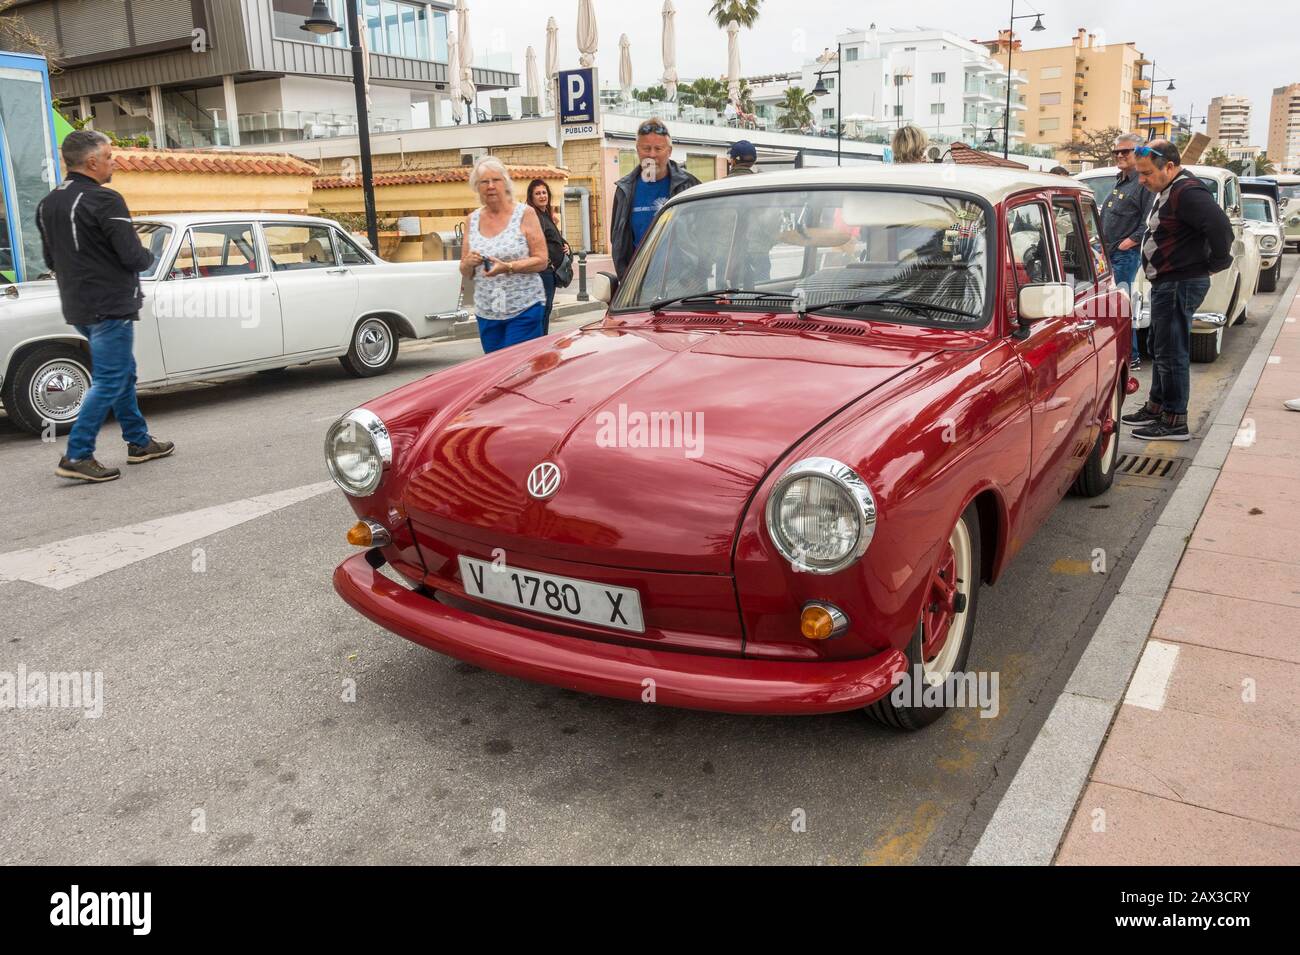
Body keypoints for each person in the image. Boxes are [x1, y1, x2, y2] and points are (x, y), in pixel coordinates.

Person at [36, 129, 173, 484]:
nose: (113, 162)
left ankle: (139, 442)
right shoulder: (106, 200)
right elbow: (133, 256)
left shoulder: (48, 203)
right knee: (112, 378)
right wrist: (150, 253)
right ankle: (77, 454)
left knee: (122, 373)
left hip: (78, 305)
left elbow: (50, 257)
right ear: (92, 161)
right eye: (109, 156)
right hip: (110, 305)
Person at [1120, 139, 1233, 441]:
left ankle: (1174, 420)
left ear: (1169, 167)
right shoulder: (1170, 188)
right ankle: (1158, 406)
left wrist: (1216, 262)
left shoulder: (1188, 192)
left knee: (1172, 352)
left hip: (1179, 282)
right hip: (1169, 282)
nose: (1141, 181)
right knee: (1161, 346)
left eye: (1146, 174)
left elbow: (1220, 226)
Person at [460, 157, 549, 353]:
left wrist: (509, 267)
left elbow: (542, 260)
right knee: (494, 372)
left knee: (515, 369)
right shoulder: (472, 220)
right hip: (487, 311)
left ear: (506, 183)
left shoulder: (525, 214)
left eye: (496, 180)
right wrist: (468, 263)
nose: (490, 186)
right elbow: (464, 270)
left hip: (524, 308)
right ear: (477, 187)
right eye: (484, 182)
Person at [609, 118, 701, 278]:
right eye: (646, 148)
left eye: (658, 148)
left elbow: (708, 233)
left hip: (683, 284)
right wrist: (626, 278)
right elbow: (618, 239)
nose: (652, 154)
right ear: (638, 149)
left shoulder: (690, 186)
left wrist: (699, 274)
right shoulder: (625, 190)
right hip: (639, 284)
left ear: (669, 150)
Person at [1100, 132, 1155, 370]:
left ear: (1140, 153)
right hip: (1106, 253)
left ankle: (1129, 355)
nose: (1120, 155)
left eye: (1126, 151)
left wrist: (1129, 242)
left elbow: (1149, 221)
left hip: (1124, 255)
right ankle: (1116, 351)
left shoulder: (1143, 183)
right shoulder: (1120, 180)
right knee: (1107, 305)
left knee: (1120, 305)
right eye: (1117, 152)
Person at [525, 178, 569, 334]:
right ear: (532, 197)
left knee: (546, 309)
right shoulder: (534, 217)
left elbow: (553, 237)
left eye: (544, 192)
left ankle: (540, 339)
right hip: (543, 272)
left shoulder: (545, 215)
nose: (542, 196)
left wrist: (564, 245)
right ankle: (539, 342)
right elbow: (535, 243)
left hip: (550, 272)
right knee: (543, 310)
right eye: (538, 193)